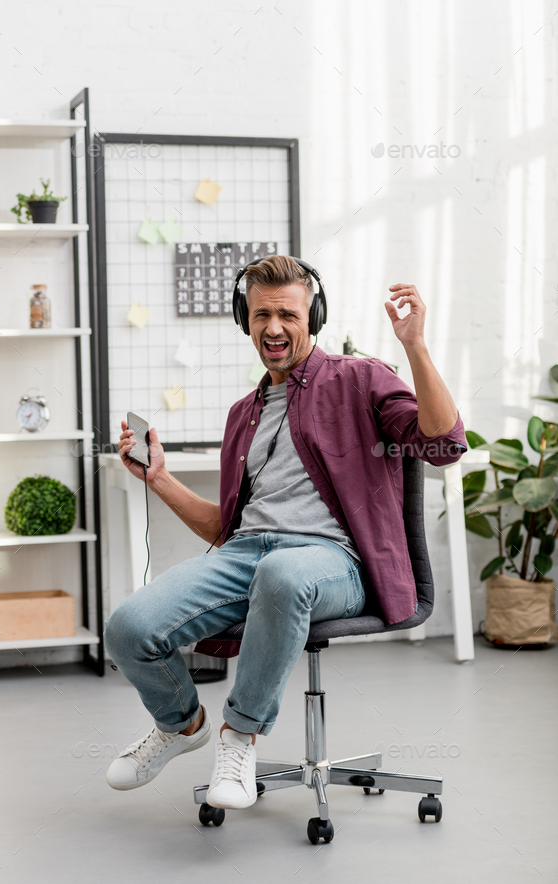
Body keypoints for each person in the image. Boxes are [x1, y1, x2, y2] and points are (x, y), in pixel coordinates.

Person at [104, 255, 467, 810]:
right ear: (244, 320)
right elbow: (226, 529)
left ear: (312, 316)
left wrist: (415, 347)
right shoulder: (241, 415)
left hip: (334, 563)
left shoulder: (361, 377)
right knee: (130, 628)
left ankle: (240, 734)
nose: (273, 327)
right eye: (260, 315)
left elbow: (441, 445)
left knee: (282, 572)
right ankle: (182, 725)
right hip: (248, 556)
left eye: (288, 315)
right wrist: (159, 477)